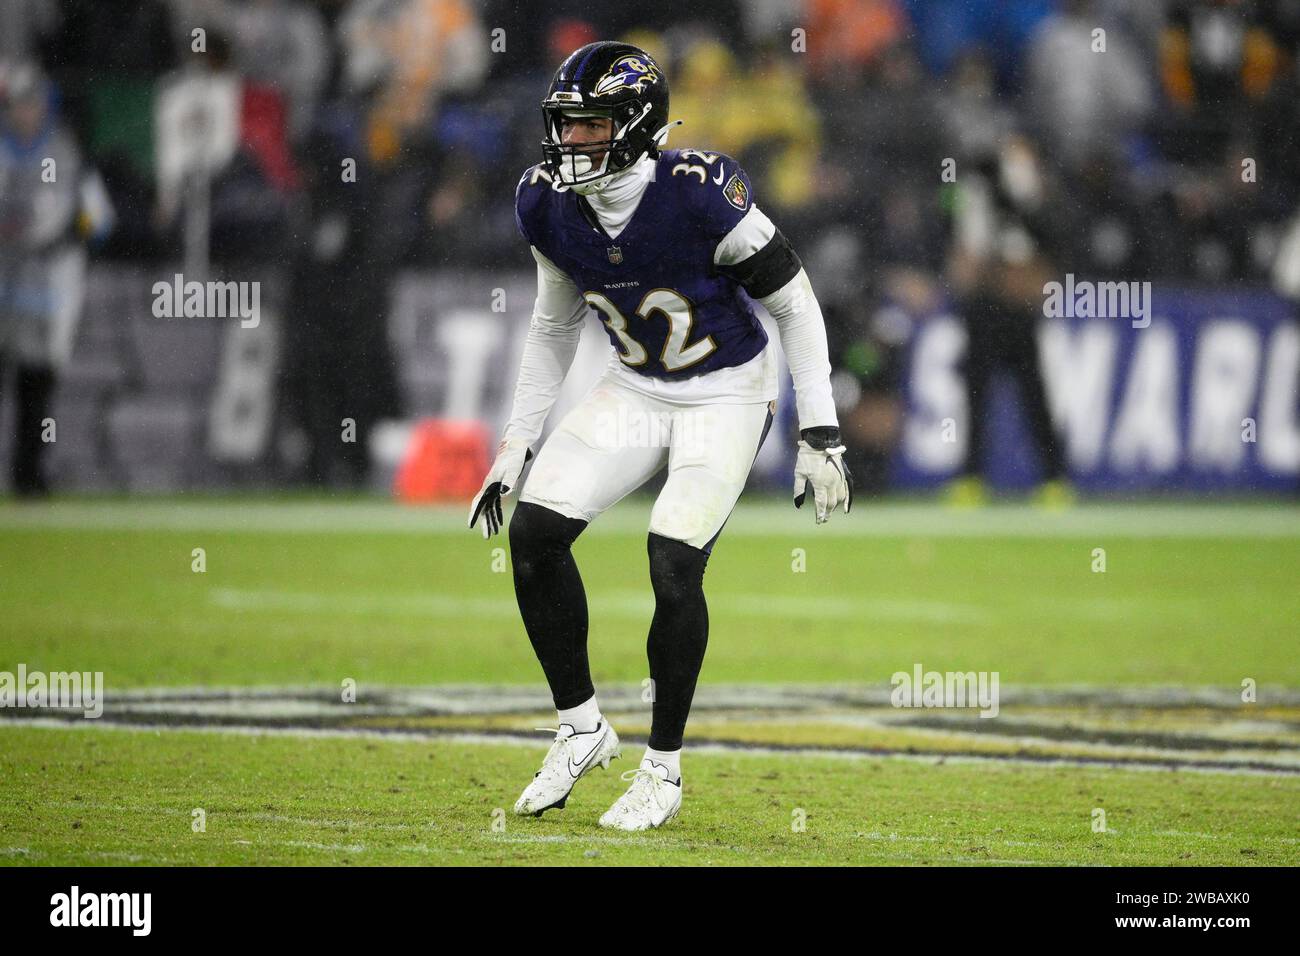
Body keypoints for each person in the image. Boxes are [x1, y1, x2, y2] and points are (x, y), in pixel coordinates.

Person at [468, 41, 851, 830]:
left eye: (590, 126)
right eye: (564, 127)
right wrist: (515, 444)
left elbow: (794, 302)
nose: (569, 143)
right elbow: (551, 326)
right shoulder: (546, 201)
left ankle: (664, 771)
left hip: (727, 393)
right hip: (638, 387)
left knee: (673, 559)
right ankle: (581, 727)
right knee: (535, 535)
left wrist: (821, 428)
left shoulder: (698, 189)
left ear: (636, 126)